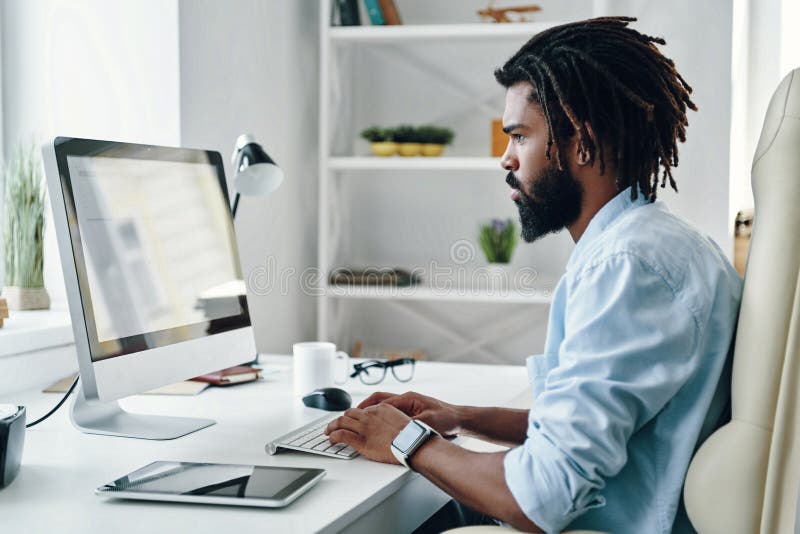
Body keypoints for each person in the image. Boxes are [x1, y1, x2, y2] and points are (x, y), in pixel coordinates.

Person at [325, 16, 743, 533]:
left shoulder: (627, 269)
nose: (505, 158)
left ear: (582, 141)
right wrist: (460, 417)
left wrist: (405, 441)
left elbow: (541, 497)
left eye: (519, 136)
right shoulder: (649, 245)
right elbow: (583, 429)